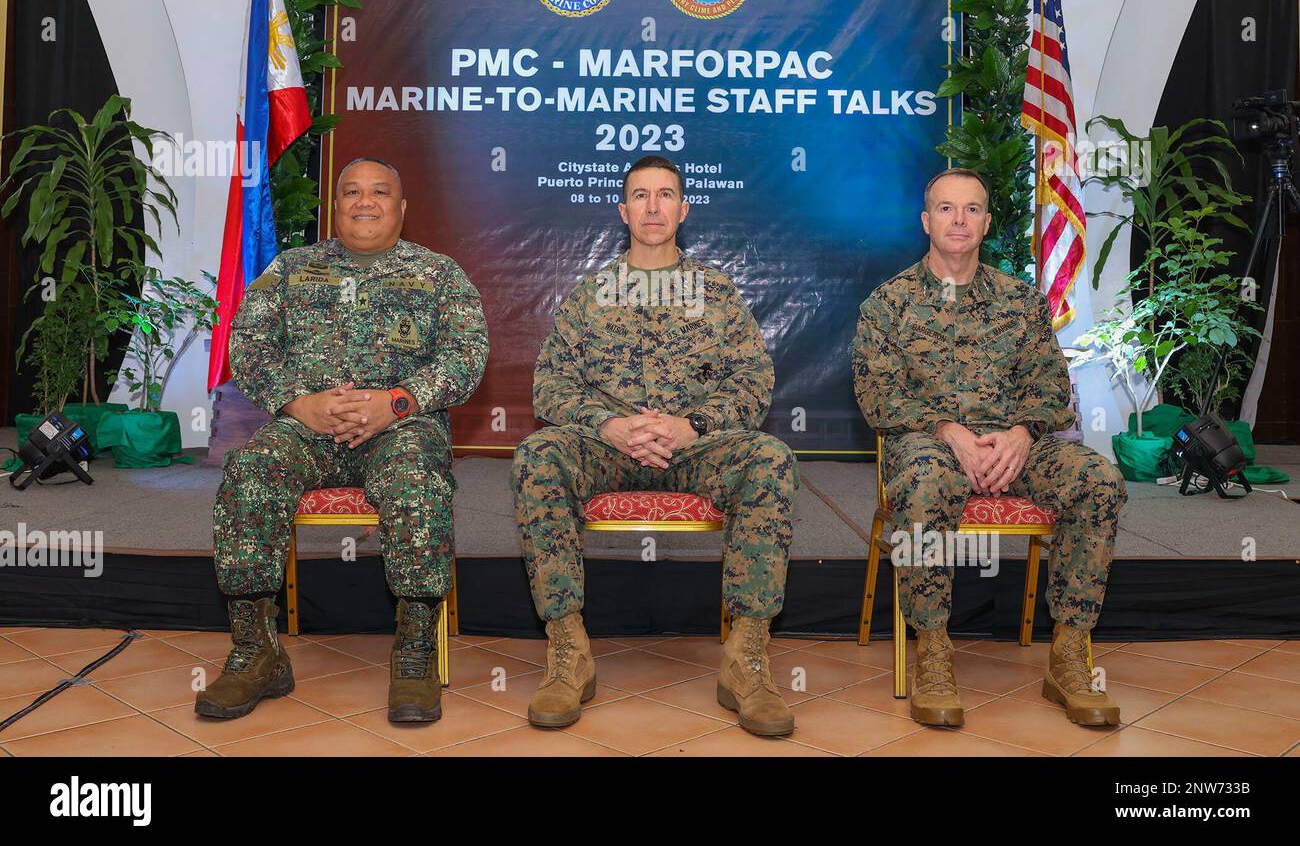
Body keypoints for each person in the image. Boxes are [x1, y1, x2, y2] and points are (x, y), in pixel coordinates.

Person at [512, 155, 800, 737]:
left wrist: (691, 424)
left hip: (694, 448)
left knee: (770, 459)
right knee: (539, 455)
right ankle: (569, 651)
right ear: (622, 210)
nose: (652, 207)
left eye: (664, 195)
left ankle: (745, 660)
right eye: (640, 196)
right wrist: (607, 425)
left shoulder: (716, 292)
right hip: (609, 448)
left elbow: (753, 382)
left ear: (683, 209)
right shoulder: (592, 294)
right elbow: (551, 383)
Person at [196, 157, 488, 724]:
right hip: (307, 427)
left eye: (380, 192)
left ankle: (415, 652)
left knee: (418, 484)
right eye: (351, 191)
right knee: (252, 470)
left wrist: (394, 403)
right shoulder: (290, 271)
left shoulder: (439, 275)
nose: (365, 201)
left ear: (402, 208)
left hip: (402, 429)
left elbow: (467, 357)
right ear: (336, 206)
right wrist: (298, 403)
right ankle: (258, 652)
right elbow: (248, 346)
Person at [852, 168, 1125, 728]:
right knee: (924, 486)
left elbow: (1052, 389)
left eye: (971, 209)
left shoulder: (1020, 303)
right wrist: (947, 430)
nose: (959, 220)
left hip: (1016, 448)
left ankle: (1070, 656)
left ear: (986, 221)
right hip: (929, 445)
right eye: (946, 209)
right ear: (926, 221)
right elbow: (876, 395)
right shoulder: (888, 304)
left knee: (1099, 480)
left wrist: (1023, 433)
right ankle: (932, 650)